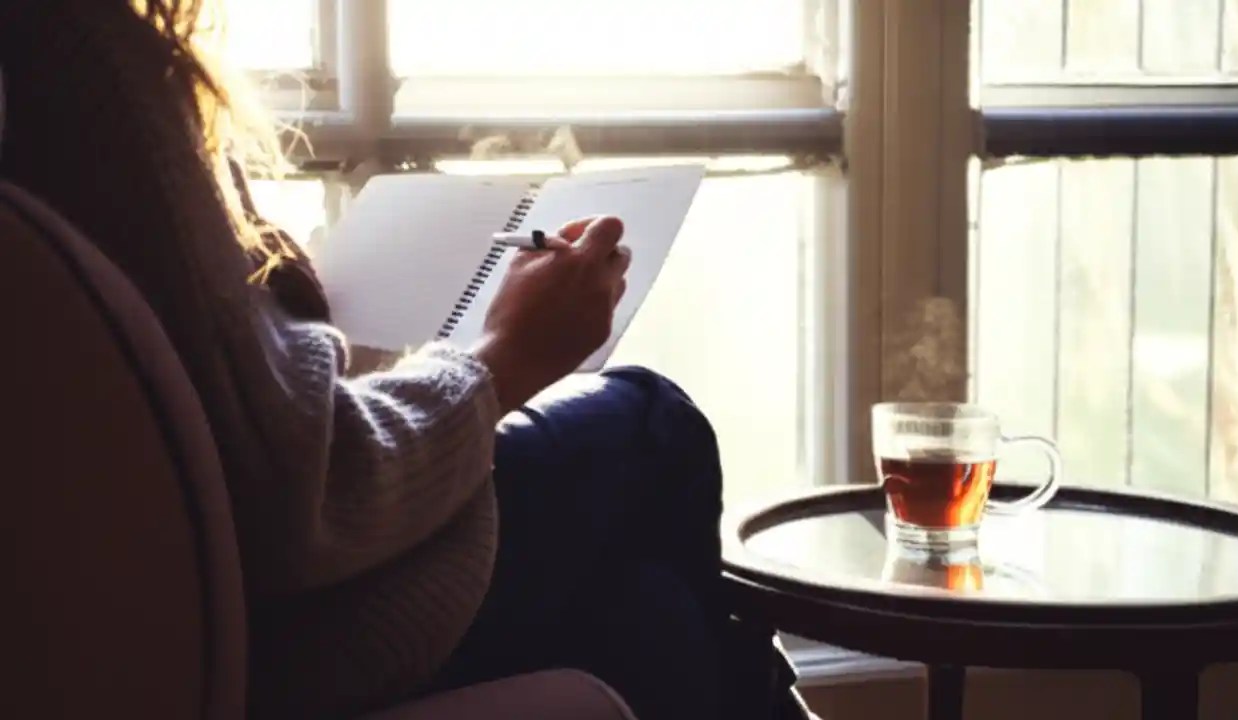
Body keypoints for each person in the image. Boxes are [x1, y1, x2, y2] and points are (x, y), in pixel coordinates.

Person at [0, 1, 803, 718]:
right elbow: (300, 490)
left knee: (645, 614)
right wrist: (502, 360)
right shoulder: (86, 58)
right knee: (651, 424)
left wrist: (285, 322)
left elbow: (194, 395)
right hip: (292, 637)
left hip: (217, 620)